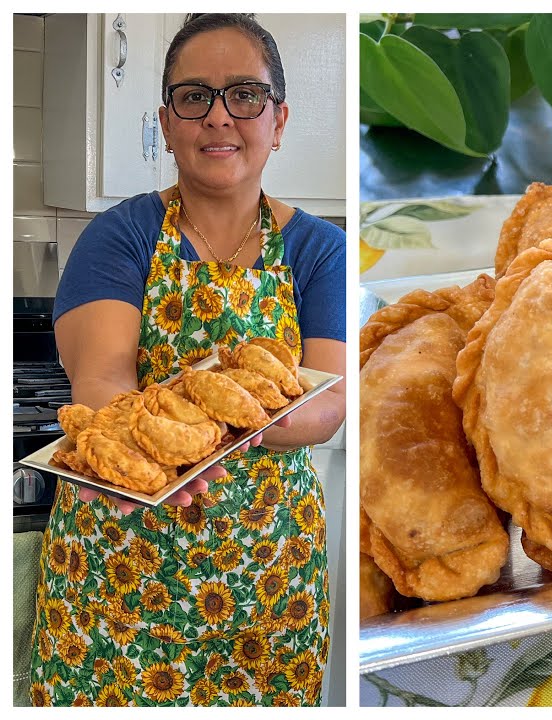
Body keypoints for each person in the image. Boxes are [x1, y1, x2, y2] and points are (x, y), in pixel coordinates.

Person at [29, 14, 345, 707]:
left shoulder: (322, 250)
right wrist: (145, 461)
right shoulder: (119, 236)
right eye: (194, 97)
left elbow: (325, 403)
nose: (220, 117)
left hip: (269, 588)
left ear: (279, 119)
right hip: (116, 579)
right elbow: (105, 381)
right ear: (168, 122)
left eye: (245, 95)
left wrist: (212, 442)